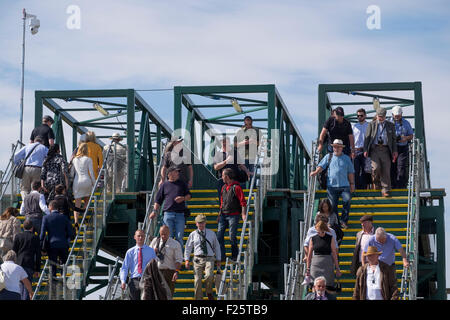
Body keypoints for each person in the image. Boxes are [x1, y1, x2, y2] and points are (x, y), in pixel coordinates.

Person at [310, 139, 355, 229]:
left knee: (347, 201)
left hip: (344, 185)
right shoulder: (328, 156)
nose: (336, 148)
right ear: (333, 147)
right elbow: (321, 166)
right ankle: (337, 222)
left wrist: (352, 184)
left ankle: (344, 221)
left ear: (342, 148)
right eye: (335, 146)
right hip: (332, 186)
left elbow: (350, 172)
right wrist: (315, 172)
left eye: (338, 147)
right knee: (332, 206)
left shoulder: (346, 158)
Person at [150, 166, 192, 249]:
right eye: (176, 172)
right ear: (169, 174)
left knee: (179, 237)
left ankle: (179, 259)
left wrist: (182, 198)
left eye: (177, 172)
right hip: (168, 214)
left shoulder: (182, 183)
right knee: (169, 237)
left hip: (180, 214)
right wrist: (154, 211)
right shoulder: (164, 185)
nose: (177, 173)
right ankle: (168, 257)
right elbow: (158, 200)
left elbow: (189, 196)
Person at [184, 214, 221, 300]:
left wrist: (218, 258)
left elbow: (217, 246)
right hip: (198, 258)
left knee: (209, 275)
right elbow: (188, 247)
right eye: (199, 223)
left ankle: (209, 292)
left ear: (205, 223)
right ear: (196, 224)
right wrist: (186, 259)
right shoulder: (193, 234)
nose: (201, 224)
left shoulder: (211, 233)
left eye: (202, 223)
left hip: (209, 257)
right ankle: (198, 298)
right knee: (197, 280)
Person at [363, 107, 398, 197]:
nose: (380, 118)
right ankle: (377, 185)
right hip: (375, 149)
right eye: (379, 116)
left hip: (386, 149)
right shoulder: (372, 124)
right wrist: (365, 149)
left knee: (386, 169)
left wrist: (394, 151)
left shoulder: (391, 125)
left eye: (382, 116)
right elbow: (367, 138)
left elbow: (394, 140)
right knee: (376, 168)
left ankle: (385, 189)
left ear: (385, 116)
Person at [217, 168, 247, 262]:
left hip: (233, 215)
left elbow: (243, 202)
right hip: (223, 215)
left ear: (226, 177)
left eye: (222, 176)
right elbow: (222, 202)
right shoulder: (223, 188)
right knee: (219, 235)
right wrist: (219, 214)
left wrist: (243, 214)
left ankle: (235, 256)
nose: (222, 178)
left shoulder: (237, 187)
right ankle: (222, 256)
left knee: (232, 236)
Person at [40, 200, 75, 277]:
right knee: (64, 264)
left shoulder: (46, 218)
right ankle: (63, 279)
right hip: (63, 244)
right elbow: (70, 233)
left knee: (53, 264)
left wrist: (41, 246)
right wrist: (67, 241)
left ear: (51, 207)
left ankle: (53, 280)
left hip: (52, 244)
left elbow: (42, 234)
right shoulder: (64, 217)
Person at [120, 229, 157, 300]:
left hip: (147, 281)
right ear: (135, 237)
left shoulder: (151, 251)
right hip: (134, 281)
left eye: (142, 236)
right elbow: (124, 268)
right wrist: (123, 281)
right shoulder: (130, 252)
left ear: (145, 237)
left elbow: (154, 267)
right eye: (138, 236)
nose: (140, 238)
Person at [213, 136, 251, 201]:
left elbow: (241, 165)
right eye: (223, 142)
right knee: (223, 199)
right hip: (223, 181)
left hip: (234, 180)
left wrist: (247, 172)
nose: (224, 143)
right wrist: (226, 161)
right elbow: (216, 167)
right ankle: (222, 210)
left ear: (229, 142)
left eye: (226, 142)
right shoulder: (217, 154)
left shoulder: (235, 152)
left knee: (235, 198)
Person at [306, 221, 341, 291]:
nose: (320, 233)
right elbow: (309, 255)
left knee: (327, 286)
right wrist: (308, 269)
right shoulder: (312, 239)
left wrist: (337, 268)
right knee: (315, 285)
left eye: (322, 232)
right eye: (318, 232)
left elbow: (334, 253)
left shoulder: (330, 238)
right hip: (315, 264)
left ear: (325, 230)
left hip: (327, 263)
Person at [149, 225, 183, 297]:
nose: (163, 236)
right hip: (156, 271)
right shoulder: (155, 241)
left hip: (169, 272)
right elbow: (148, 256)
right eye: (162, 234)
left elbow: (178, 259)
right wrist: (153, 252)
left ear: (169, 233)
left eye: (165, 234)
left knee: (168, 295)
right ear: (159, 233)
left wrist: (176, 272)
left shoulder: (175, 244)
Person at [12, 219, 41, 300]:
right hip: (29, 264)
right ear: (32, 227)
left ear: (23, 227)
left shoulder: (18, 236)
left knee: (19, 286)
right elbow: (38, 255)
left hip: (18, 264)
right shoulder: (35, 237)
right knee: (27, 287)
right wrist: (37, 269)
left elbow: (13, 251)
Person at [14, 137, 48, 201]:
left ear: (34, 141)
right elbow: (49, 156)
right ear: (42, 142)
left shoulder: (28, 146)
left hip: (27, 168)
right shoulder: (43, 147)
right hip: (38, 169)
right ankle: (34, 204)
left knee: (24, 189)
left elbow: (16, 155)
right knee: (36, 189)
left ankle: (26, 202)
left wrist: (17, 163)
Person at [71, 142, 96, 227]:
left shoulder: (74, 160)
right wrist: (94, 183)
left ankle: (76, 221)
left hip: (77, 182)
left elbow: (71, 173)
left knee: (77, 203)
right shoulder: (88, 159)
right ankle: (84, 216)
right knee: (86, 201)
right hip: (86, 181)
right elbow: (91, 173)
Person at [390, 106, 414, 189]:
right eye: (395, 116)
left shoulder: (406, 123)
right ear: (392, 114)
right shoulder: (388, 122)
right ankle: (392, 186)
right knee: (391, 167)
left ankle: (400, 187)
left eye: (398, 115)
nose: (397, 117)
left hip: (402, 148)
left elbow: (411, 135)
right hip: (391, 148)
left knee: (401, 167)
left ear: (401, 114)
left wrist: (405, 138)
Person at [352, 108, 370, 189]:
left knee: (365, 170)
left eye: (361, 115)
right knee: (355, 170)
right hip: (356, 151)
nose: (359, 117)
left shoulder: (369, 126)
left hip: (366, 151)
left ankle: (364, 188)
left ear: (365, 116)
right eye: (358, 116)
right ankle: (357, 188)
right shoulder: (354, 126)